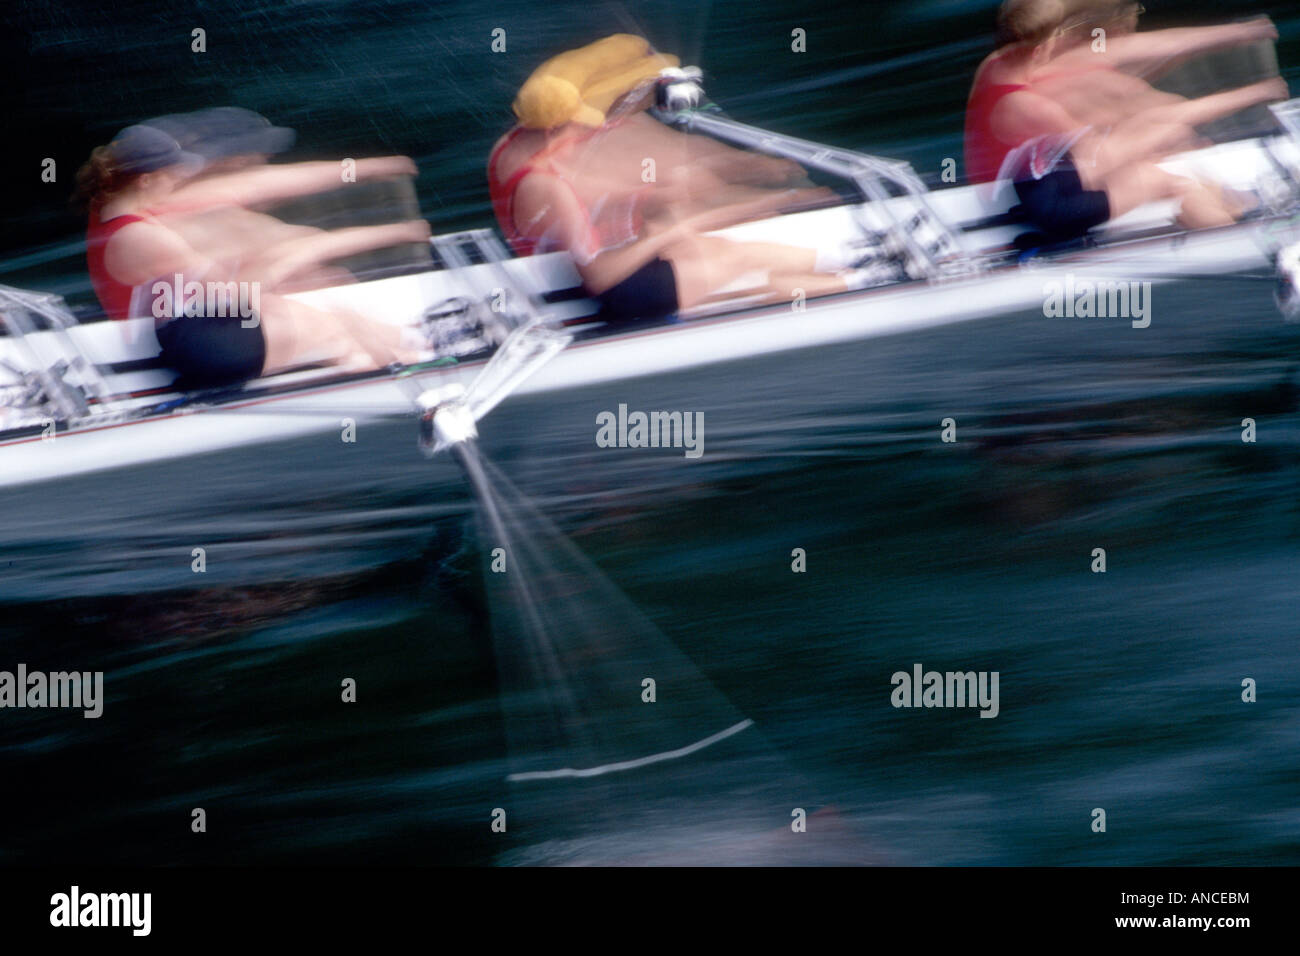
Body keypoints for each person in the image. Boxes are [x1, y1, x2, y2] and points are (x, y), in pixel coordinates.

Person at [488, 35, 891, 321]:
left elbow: (563, 231)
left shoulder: (509, 148)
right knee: (742, 256)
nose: (587, 133)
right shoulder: (548, 182)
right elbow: (598, 276)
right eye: (579, 126)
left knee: (756, 259)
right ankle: (868, 279)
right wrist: (664, 232)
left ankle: (848, 276)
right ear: (557, 127)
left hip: (620, 273)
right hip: (626, 294)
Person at [75, 123, 435, 388]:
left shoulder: (117, 217)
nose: (181, 177)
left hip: (195, 335)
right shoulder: (142, 235)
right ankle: (419, 366)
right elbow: (236, 293)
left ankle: (398, 354)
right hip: (205, 346)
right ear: (146, 180)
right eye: (174, 173)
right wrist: (286, 261)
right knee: (337, 320)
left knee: (324, 309)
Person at [964, 0, 1287, 242]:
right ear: (1041, 49)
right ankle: (1238, 238)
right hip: (1027, 201)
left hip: (1031, 183)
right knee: (1167, 165)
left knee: (1157, 137)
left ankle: (1232, 208)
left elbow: (1145, 50)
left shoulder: (995, 65)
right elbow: (1094, 157)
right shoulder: (1030, 104)